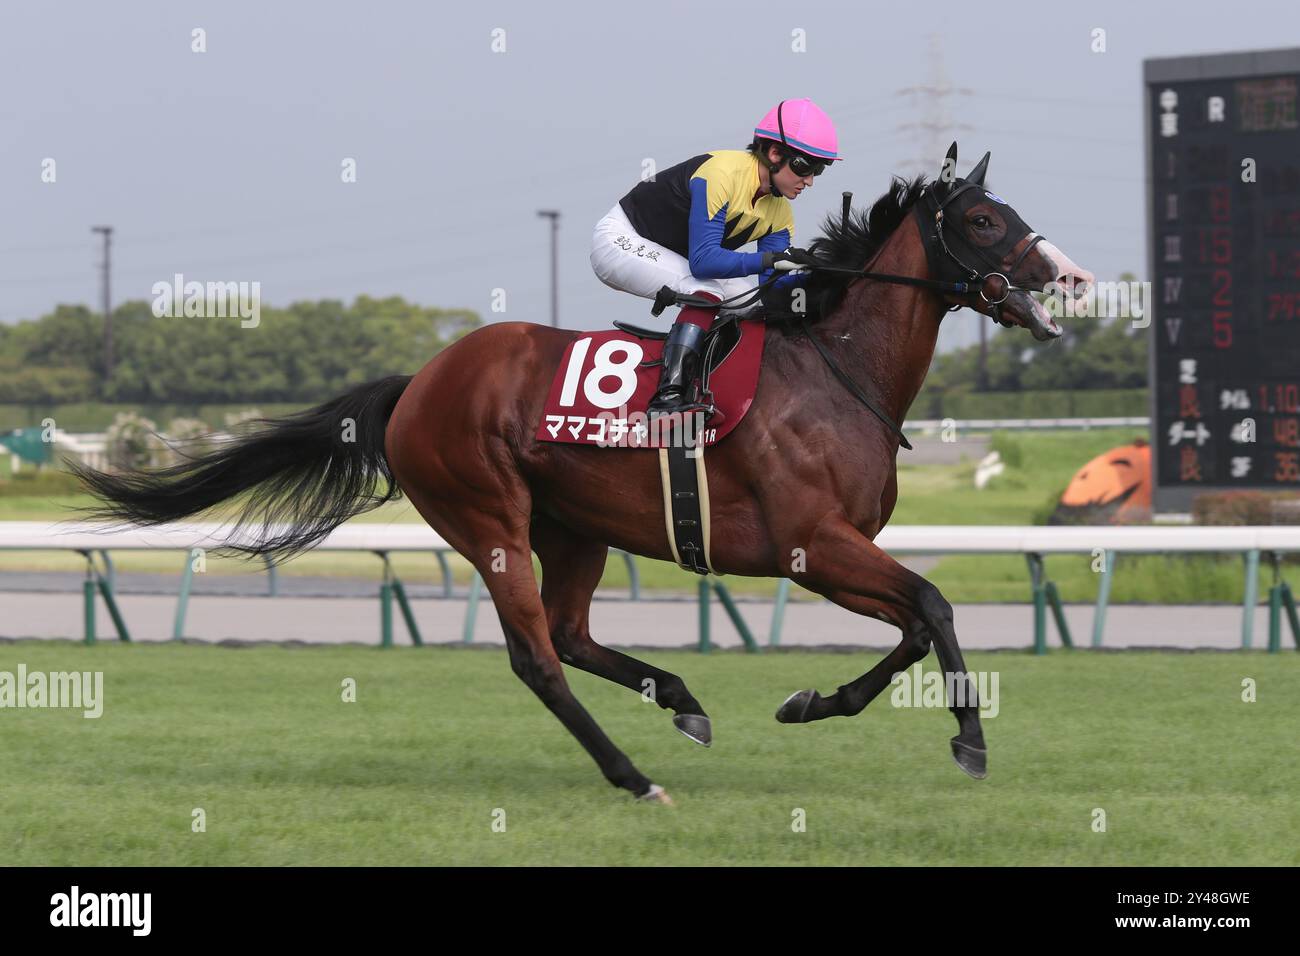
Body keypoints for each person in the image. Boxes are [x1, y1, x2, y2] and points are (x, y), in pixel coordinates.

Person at [590, 98, 841, 416]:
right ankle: (669, 397)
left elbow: (771, 289)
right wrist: (770, 259)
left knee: (752, 304)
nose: (810, 180)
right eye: (806, 167)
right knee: (705, 291)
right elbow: (704, 262)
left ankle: (719, 386)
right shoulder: (723, 173)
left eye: (819, 170)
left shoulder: (779, 211)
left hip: (670, 257)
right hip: (620, 240)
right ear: (775, 153)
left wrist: (823, 278)